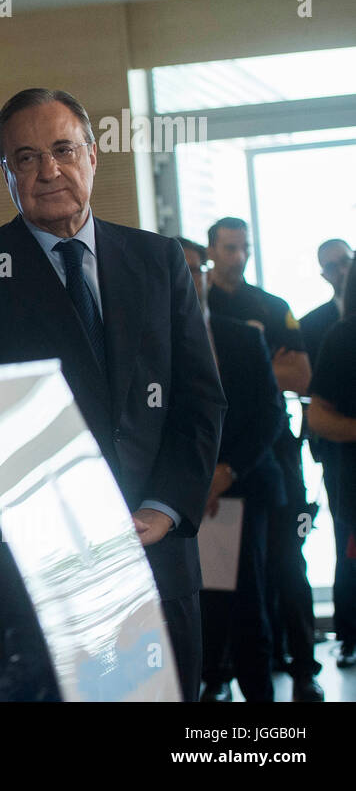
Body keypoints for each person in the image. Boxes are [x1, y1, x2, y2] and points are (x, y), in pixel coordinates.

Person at [0, 88, 224, 702]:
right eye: (27, 158)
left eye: (63, 150)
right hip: (35, 578)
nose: (49, 171)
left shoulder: (158, 259)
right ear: (6, 174)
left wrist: (163, 508)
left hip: (156, 564)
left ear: (93, 155)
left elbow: (199, 401)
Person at [205, 217, 323, 700]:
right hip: (215, 472)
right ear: (214, 251)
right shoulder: (199, 310)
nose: (239, 256)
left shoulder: (272, 308)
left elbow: (299, 376)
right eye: (229, 248)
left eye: (244, 248)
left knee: (287, 569)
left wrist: (252, 364)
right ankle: (219, 674)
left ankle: (303, 669)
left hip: (274, 464)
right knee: (224, 583)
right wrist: (258, 364)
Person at [180, 239, 285, 703]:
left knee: (249, 607)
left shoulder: (244, 336)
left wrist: (227, 471)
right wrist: (194, 481)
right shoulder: (145, 345)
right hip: (179, 499)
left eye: (198, 268)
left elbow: (270, 415)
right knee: (196, 611)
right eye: (180, 270)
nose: (192, 278)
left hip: (244, 487)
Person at [300, 238, 355, 669]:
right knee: (347, 547)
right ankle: (350, 632)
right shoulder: (328, 329)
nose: (337, 269)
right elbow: (316, 409)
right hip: (344, 462)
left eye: (343, 262)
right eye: (330, 264)